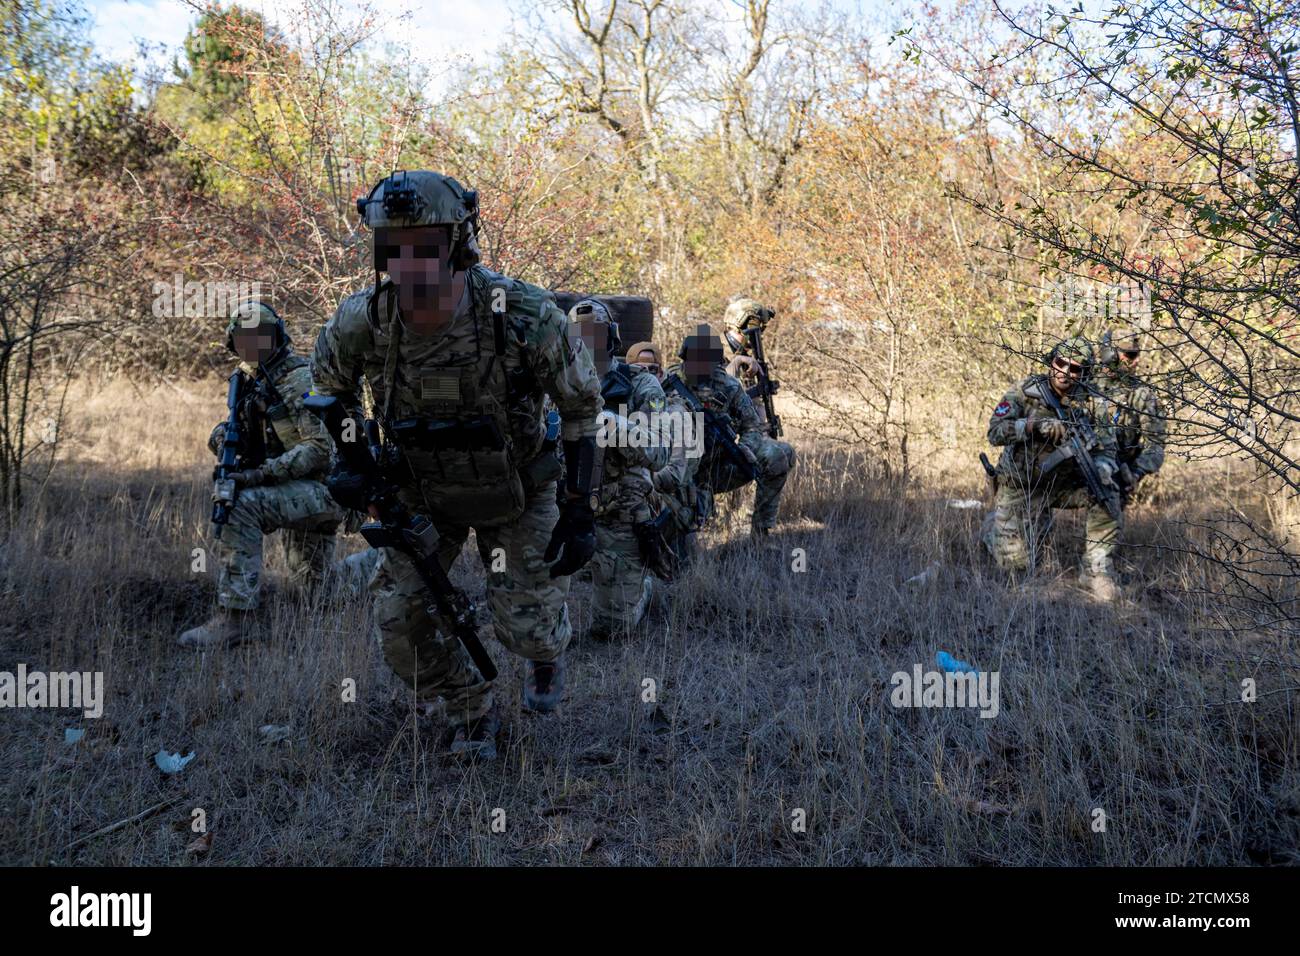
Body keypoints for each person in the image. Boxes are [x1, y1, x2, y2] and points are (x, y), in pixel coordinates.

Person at [311, 170, 603, 759]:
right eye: (394, 249)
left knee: (528, 627)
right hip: (419, 490)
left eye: (425, 247)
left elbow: (582, 409)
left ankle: (545, 655)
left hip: (517, 486)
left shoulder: (522, 313)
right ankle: (472, 710)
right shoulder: (361, 320)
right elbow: (327, 393)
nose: (409, 264)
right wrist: (349, 462)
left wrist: (579, 508)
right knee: (401, 626)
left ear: (459, 242)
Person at [179, 301, 343, 647]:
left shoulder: (298, 379)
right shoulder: (248, 379)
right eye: (244, 338)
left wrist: (260, 476)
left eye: (261, 337)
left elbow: (319, 448)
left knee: (241, 505)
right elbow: (240, 429)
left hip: (325, 489)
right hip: (294, 487)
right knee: (318, 592)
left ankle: (235, 618)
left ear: (276, 338)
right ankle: (381, 567)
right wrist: (222, 436)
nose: (253, 345)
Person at [982, 336, 1122, 600]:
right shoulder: (1025, 391)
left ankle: (1096, 570)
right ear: (1052, 362)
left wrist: (1103, 466)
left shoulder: (1092, 401)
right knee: (1017, 569)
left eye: (1075, 368)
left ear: (1084, 373)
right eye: (1061, 363)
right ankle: (993, 530)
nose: (1065, 373)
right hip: (1021, 485)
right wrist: (1032, 427)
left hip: (1065, 486)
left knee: (1108, 494)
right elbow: (995, 432)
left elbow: (1108, 446)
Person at [573, 303, 670, 639]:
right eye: (579, 336)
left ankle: (639, 585)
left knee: (613, 630)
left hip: (620, 508)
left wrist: (609, 424)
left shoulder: (639, 384)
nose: (587, 344)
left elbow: (660, 451)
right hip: (561, 505)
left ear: (611, 337)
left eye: (595, 335)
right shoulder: (554, 383)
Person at [665, 324, 794, 538]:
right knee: (689, 530)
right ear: (684, 357)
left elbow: (751, 425)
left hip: (718, 465)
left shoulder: (728, 386)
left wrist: (745, 449)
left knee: (779, 454)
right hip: (677, 469)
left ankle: (761, 532)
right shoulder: (668, 383)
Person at [627, 341, 702, 564]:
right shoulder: (627, 409)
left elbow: (674, 476)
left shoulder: (677, 414)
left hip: (671, 508)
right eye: (640, 371)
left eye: (652, 370)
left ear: (661, 373)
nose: (648, 377)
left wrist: (633, 481)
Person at [1095, 327, 1165, 503]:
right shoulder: (1085, 384)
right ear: (1111, 354)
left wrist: (1136, 472)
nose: (1137, 361)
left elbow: (1155, 444)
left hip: (1115, 474)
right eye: (1131, 355)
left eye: (1137, 354)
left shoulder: (1141, 394)